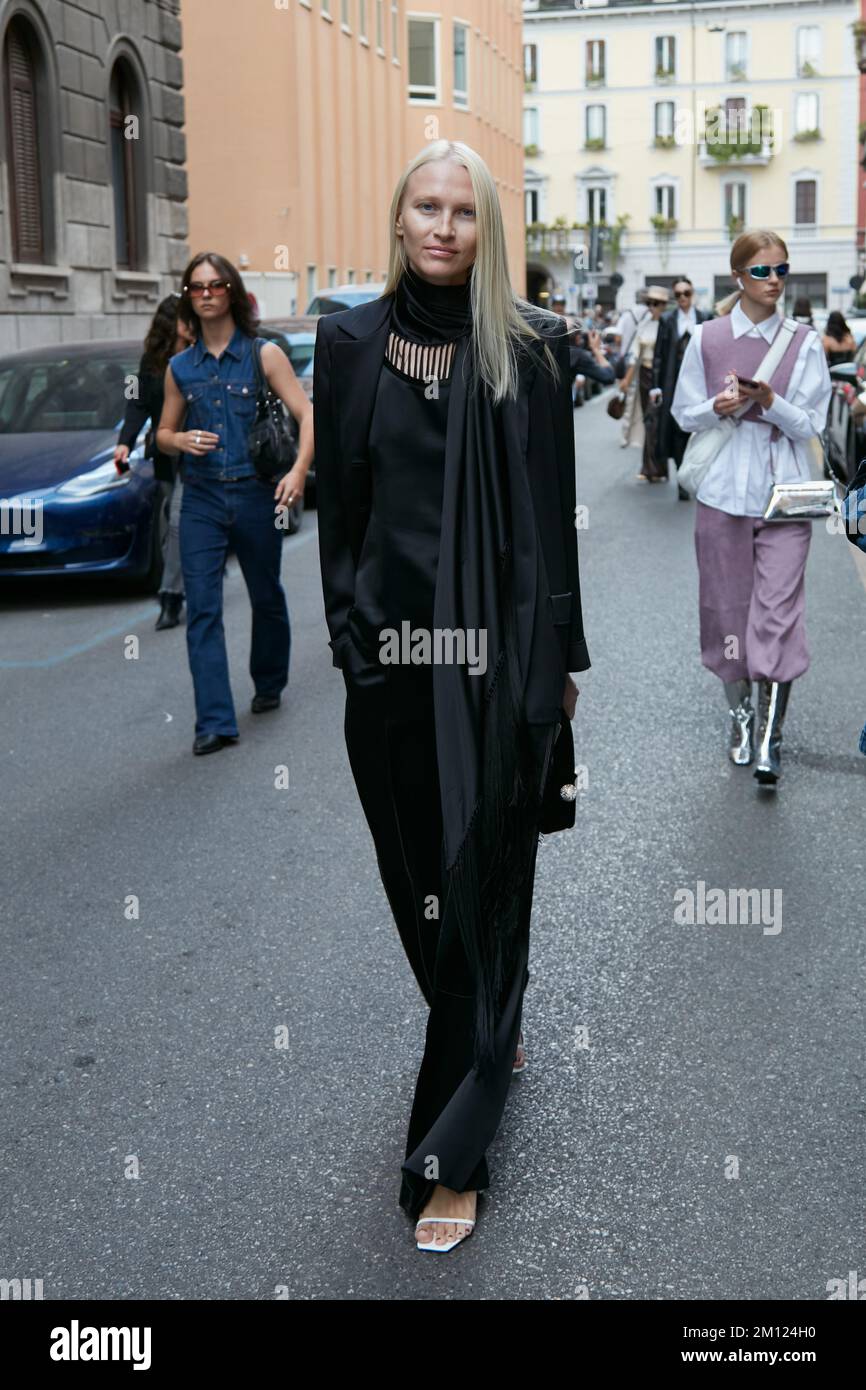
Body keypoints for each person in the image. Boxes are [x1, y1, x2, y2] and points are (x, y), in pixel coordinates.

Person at [314, 139, 590, 1253]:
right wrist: (347, 639)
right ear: (397, 219)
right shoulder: (346, 344)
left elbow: (553, 516)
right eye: (423, 207)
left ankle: (450, 1149)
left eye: (461, 211)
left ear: (487, 228)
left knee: (482, 882)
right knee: (421, 892)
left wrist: (559, 665)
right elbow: (344, 506)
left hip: (495, 667)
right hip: (388, 668)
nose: (441, 226)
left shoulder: (527, 351)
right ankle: (490, 1017)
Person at [671, 229, 831, 783]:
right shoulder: (706, 338)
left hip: (786, 497)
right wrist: (717, 405)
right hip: (722, 495)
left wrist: (771, 401)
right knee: (726, 614)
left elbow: (812, 424)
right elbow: (682, 413)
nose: (775, 282)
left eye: (782, 270)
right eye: (762, 272)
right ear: (738, 276)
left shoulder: (805, 341)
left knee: (778, 614)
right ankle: (740, 715)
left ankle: (771, 736)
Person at [156, 252, 313, 755]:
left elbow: (306, 414)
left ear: (231, 292)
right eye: (195, 288)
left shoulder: (263, 355)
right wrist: (179, 442)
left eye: (214, 285)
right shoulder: (180, 367)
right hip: (200, 497)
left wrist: (296, 473)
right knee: (202, 608)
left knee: (265, 594)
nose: (204, 294)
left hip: (254, 492)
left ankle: (268, 681)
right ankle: (215, 722)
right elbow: (162, 432)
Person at [115, 295, 196, 629]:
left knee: (177, 521)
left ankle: (170, 597)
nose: (193, 322)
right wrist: (124, 442)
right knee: (172, 524)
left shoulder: (202, 353)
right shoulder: (152, 361)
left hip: (199, 452)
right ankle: (195, 573)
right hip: (166, 455)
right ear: (171, 321)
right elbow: (135, 403)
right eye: (185, 317)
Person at [649, 276, 713, 500]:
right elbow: (658, 354)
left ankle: (696, 474)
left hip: (699, 383)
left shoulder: (705, 318)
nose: (683, 298)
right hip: (672, 381)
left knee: (697, 430)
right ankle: (682, 478)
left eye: (686, 293)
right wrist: (655, 387)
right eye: (678, 295)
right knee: (676, 430)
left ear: (692, 293)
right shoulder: (668, 320)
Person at [618, 286, 669, 480]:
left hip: (663, 378)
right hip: (645, 376)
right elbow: (635, 353)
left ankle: (657, 468)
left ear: (663, 306)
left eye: (655, 303)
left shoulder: (668, 325)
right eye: (649, 303)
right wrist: (627, 379)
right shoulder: (645, 323)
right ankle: (650, 468)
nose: (651, 307)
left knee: (657, 421)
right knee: (649, 421)